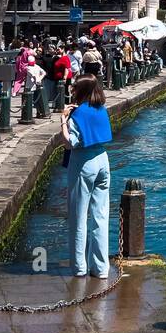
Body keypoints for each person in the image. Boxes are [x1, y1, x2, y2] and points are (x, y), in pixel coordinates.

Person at [59, 76, 112, 278]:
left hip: (83, 162)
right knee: (100, 216)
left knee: (78, 216)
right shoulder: (101, 109)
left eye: (74, 88)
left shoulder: (77, 114)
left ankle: (79, 268)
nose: (71, 91)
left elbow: (68, 143)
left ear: (79, 91)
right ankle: (100, 268)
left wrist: (63, 119)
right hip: (102, 159)